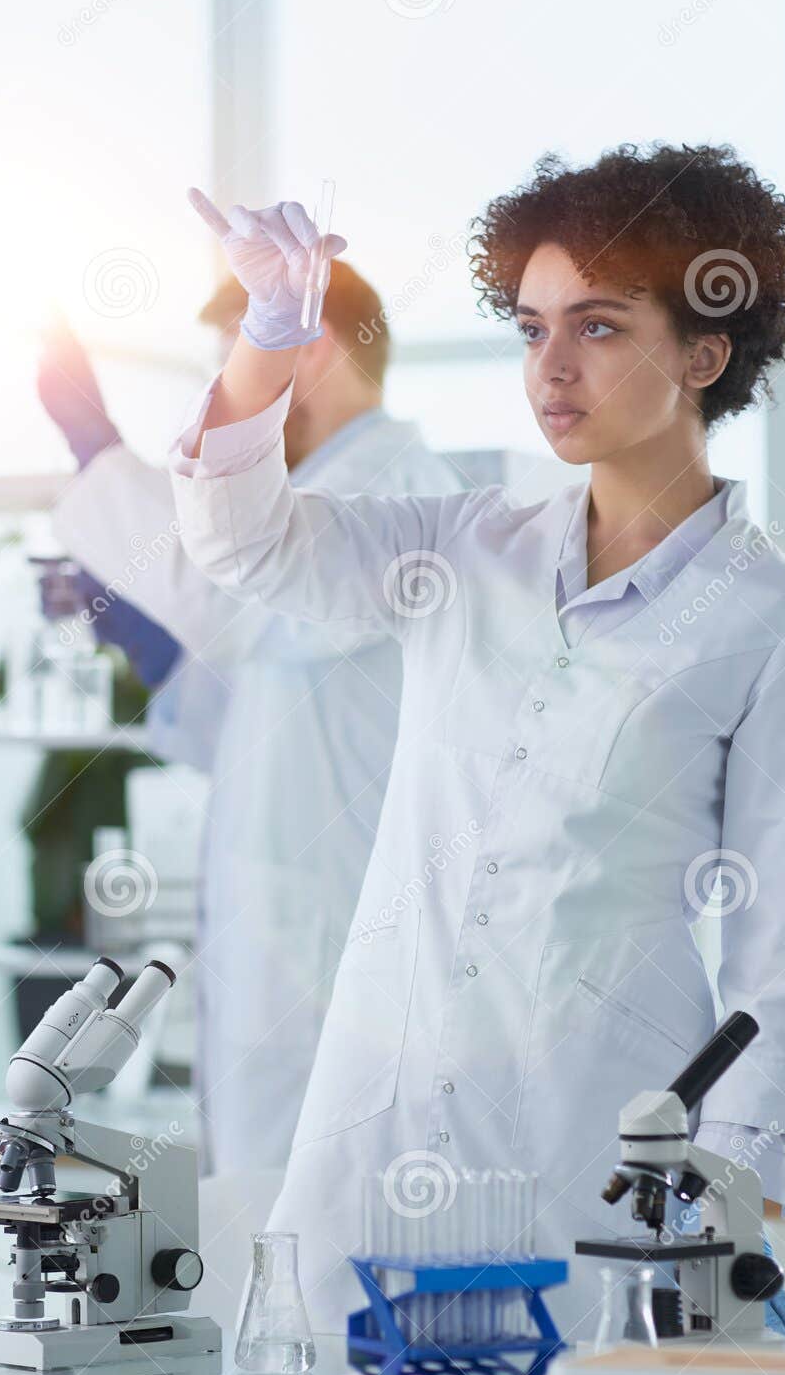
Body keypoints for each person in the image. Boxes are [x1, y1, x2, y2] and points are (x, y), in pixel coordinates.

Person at [167, 147, 785, 1338]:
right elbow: (243, 542)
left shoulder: (780, 627)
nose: (550, 366)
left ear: (703, 351)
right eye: (532, 327)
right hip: (374, 1142)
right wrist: (272, 336)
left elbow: (778, 964)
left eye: (595, 327)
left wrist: (722, 1202)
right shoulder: (462, 548)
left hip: (589, 1156)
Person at [37, 262, 467, 1171]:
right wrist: (150, 647)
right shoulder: (333, 491)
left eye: (233, 373)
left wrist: (95, 449)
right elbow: (252, 705)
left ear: (302, 351)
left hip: (335, 942)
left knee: (310, 1224)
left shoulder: (384, 487)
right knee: (268, 1215)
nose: (221, 406)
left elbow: (236, 608)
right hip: (292, 925)